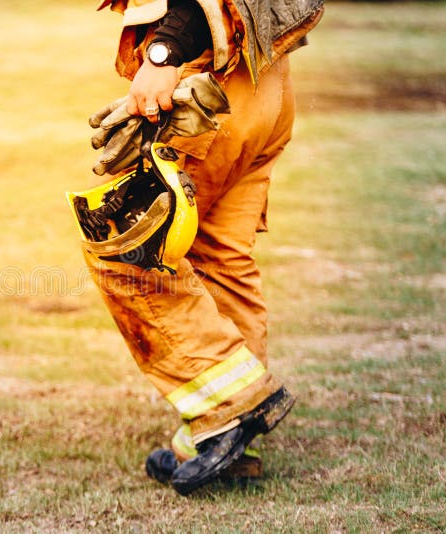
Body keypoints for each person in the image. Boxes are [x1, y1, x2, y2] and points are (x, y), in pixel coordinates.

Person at [86, 0, 324, 495]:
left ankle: (230, 406)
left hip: (212, 85)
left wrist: (162, 52)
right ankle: (223, 442)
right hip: (266, 86)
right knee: (220, 258)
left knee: (131, 247)